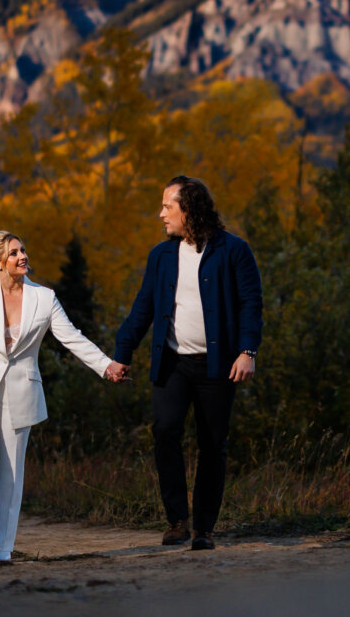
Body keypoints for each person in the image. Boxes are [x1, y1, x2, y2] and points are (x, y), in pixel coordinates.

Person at [0, 230, 127, 562]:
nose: (22, 256)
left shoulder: (45, 297)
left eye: (23, 250)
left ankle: (3, 548)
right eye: (13, 253)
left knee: (12, 471)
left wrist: (106, 365)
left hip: (21, 391)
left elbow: (71, 337)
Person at [112, 175, 263, 551]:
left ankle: (203, 529)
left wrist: (248, 351)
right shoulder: (161, 256)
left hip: (218, 367)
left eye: (167, 206)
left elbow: (251, 304)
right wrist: (121, 353)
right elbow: (143, 308)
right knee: (165, 431)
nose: (160, 213)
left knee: (213, 444)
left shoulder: (234, 250)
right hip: (173, 363)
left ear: (189, 209)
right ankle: (177, 520)